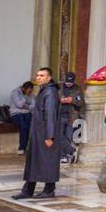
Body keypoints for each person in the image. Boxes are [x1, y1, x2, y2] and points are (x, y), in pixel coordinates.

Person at [13, 67, 60, 200]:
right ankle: (28, 189)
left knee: (47, 161)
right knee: (34, 160)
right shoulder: (43, 91)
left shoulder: (50, 92)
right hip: (38, 131)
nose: (38, 77)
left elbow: (50, 113)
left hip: (44, 133)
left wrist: (50, 135)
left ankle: (49, 189)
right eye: (37, 75)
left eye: (42, 75)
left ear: (49, 78)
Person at [57, 71, 85, 163]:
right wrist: (60, 100)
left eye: (71, 82)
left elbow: (80, 102)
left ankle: (66, 155)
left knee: (68, 136)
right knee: (59, 136)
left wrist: (72, 100)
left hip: (71, 116)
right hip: (60, 115)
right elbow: (53, 99)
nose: (68, 84)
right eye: (67, 82)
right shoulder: (59, 87)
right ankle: (65, 154)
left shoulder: (78, 89)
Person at [8, 81, 34, 155]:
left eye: (31, 90)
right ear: (24, 88)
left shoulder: (31, 95)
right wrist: (25, 96)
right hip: (16, 114)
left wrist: (26, 106)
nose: (31, 92)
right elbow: (19, 104)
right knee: (24, 126)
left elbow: (33, 106)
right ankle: (22, 148)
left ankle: (29, 147)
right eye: (29, 90)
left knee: (31, 127)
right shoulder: (15, 93)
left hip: (27, 113)